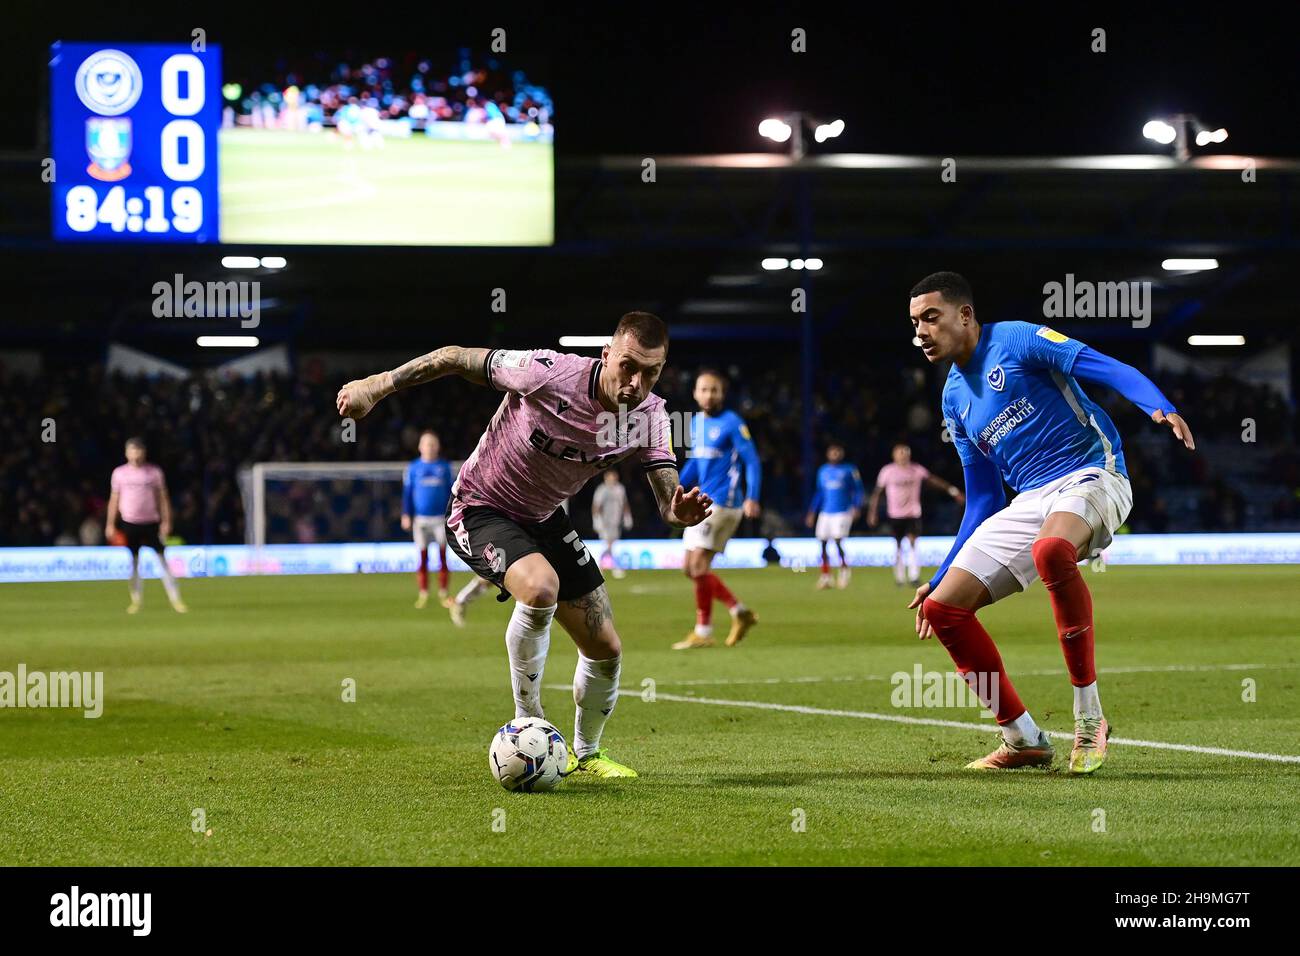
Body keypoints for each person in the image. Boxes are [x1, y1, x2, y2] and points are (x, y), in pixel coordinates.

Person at [336, 311, 712, 778]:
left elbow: (666, 498)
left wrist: (679, 512)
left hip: (542, 517)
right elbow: (455, 358)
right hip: (479, 506)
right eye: (628, 367)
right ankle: (528, 722)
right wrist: (378, 384)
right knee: (539, 587)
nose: (636, 383)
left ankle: (588, 755)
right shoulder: (548, 373)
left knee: (606, 647)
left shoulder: (650, 416)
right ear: (606, 355)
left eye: (650, 372)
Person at [907, 271, 1194, 774]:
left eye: (931, 317)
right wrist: (939, 571)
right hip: (1030, 500)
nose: (921, 332)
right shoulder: (953, 398)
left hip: (1094, 473)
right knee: (944, 608)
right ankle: (1023, 739)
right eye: (914, 323)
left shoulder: (1017, 338)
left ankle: (1089, 716)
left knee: (1050, 552)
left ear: (966, 314)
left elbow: (1102, 366)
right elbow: (981, 500)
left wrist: (1158, 405)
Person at [672, 369, 762, 650]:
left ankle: (705, 630)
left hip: (724, 502)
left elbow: (753, 461)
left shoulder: (732, 422)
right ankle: (738, 613)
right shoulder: (695, 423)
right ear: (695, 393)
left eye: (715, 390)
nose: (709, 394)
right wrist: (673, 488)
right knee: (691, 568)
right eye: (704, 389)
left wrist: (752, 496)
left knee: (697, 566)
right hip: (704, 502)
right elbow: (696, 465)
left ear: (722, 394)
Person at [106, 437, 187, 614]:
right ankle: (136, 600)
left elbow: (163, 498)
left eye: (138, 450)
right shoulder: (119, 473)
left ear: (144, 452)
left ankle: (176, 599)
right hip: (129, 522)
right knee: (134, 562)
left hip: (150, 522)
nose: (136, 454)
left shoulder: (153, 473)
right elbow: (114, 499)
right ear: (127, 453)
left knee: (162, 560)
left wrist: (166, 521)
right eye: (132, 450)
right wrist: (110, 524)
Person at [867, 442, 963, 586]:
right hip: (895, 514)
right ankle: (899, 577)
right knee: (898, 544)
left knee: (913, 542)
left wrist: (952, 491)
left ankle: (913, 576)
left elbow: (933, 480)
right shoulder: (887, 471)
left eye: (906, 452)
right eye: (900, 452)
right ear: (894, 455)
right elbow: (877, 493)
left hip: (913, 512)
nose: (903, 455)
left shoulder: (916, 469)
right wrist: (872, 512)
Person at [401, 430, 453, 608]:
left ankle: (443, 593)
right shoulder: (413, 468)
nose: (430, 447)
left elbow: (451, 493)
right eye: (427, 444)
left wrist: (451, 514)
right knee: (422, 558)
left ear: (437, 447)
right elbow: (407, 494)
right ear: (420, 447)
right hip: (420, 520)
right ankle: (423, 593)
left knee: (443, 557)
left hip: (440, 519)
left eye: (433, 444)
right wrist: (406, 514)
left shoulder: (444, 467)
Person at [805, 443, 865, 589]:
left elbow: (858, 490)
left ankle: (844, 572)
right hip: (825, 512)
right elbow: (819, 493)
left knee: (838, 541)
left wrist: (857, 506)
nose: (835, 454)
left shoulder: (849, 470)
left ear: (842, 453)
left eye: (838, 452)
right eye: (832, 452)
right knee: (822, 543)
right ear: (828, 454)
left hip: (843, 512)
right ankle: (826, 576)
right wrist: (812, 511)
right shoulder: (823, 471)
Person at [591, 469, 632, 579]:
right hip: (605, 522)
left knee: (611, 545)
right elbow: (596, 506)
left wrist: (627, 517)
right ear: (605, 478)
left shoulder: (620, 489)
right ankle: (614, 568)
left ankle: (598, 566)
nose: (612, 479)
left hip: (616, 522)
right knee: (609, 545)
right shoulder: (601, 489)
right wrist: (596, 520)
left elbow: (624, 503)